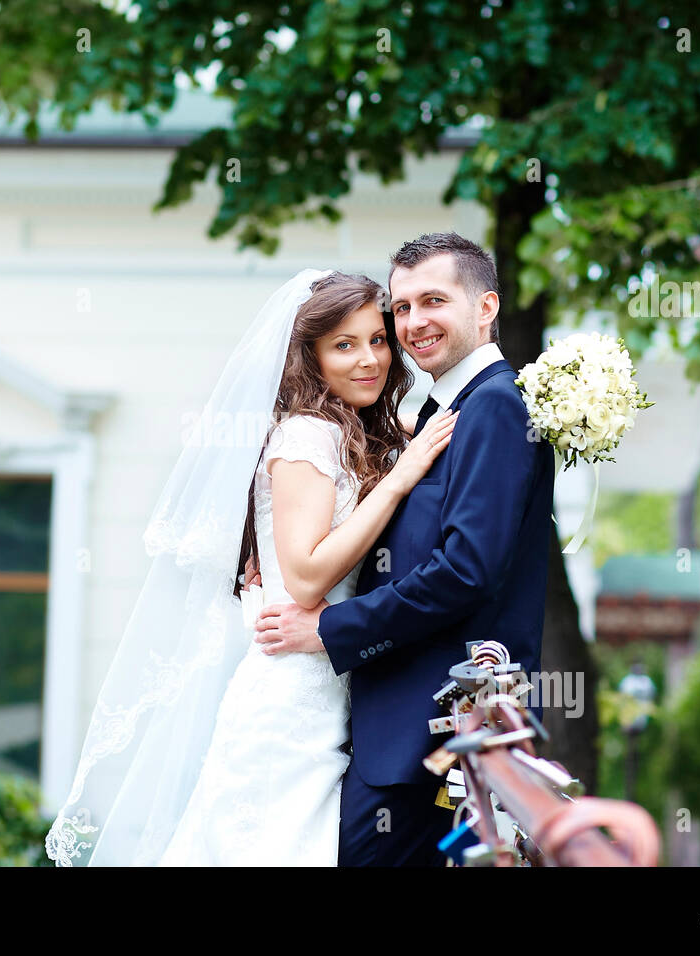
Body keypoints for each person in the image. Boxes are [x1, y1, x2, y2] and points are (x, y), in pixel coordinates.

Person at [45, 269, 456, 865]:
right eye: (344, 345)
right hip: (289, 703)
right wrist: (398, 480)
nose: (369, 359)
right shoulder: (307, 437)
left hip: (333, 689)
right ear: (309, 358)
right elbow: (307, 577)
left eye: (378, 339)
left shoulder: (361, 434)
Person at [253, 232, 555, 867]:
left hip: (432, 727)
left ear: (486, 307)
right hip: (387, 726)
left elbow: (465, 573)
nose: (414, 323)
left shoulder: (495, 408)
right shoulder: (442, 412)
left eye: (433, 301)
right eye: (403, 306)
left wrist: (331, 627)